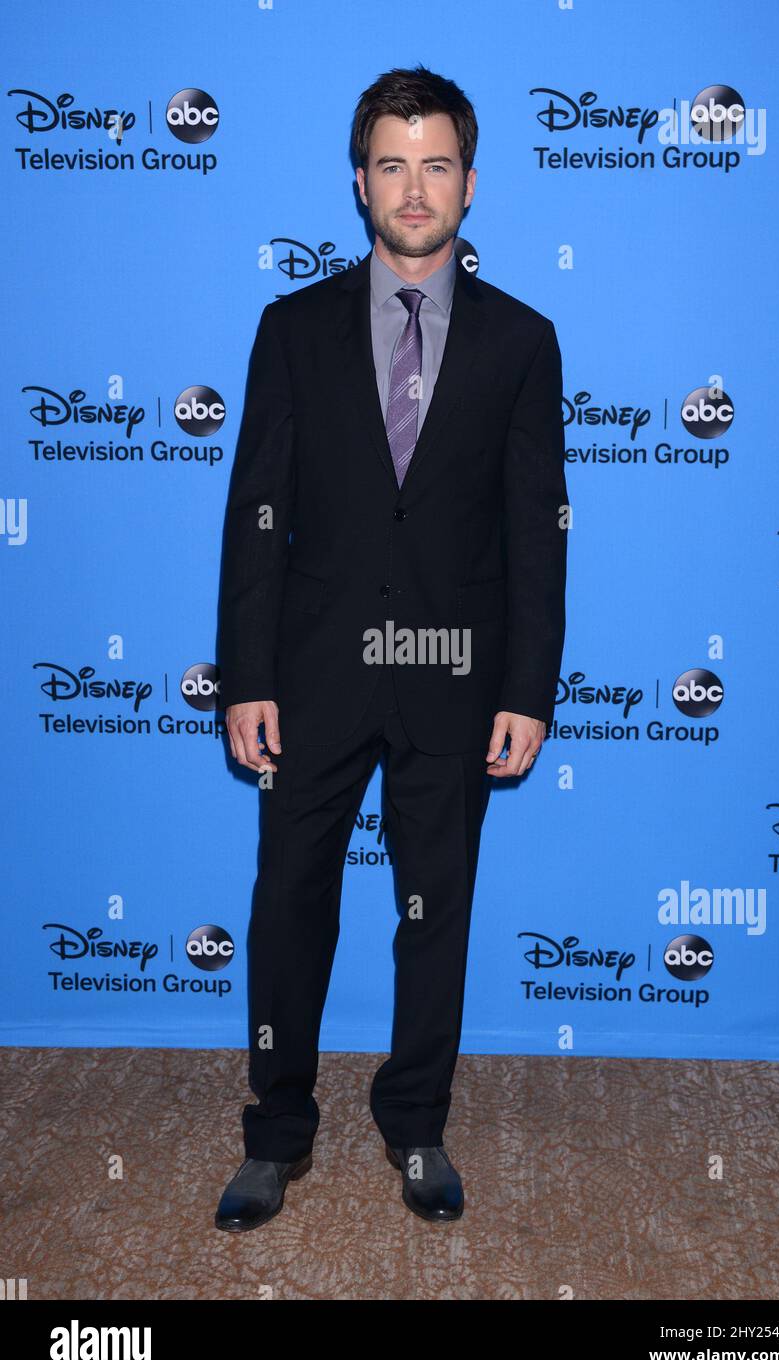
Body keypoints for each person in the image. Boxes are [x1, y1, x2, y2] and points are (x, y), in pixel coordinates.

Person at [214, 63, 569, 1230]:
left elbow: (536, 532)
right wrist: (248, 675)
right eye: (390, 164)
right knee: (289, 902)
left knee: (436, 909)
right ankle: (276, 1129)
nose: (413, 190)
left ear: (470, 181)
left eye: (436, 165)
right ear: (358, 181)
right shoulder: (293, 328)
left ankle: (416, 1123)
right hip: (314, 672)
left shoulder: (524, 341)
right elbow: (256, 513)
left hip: (457, 676)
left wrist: (528, 688)